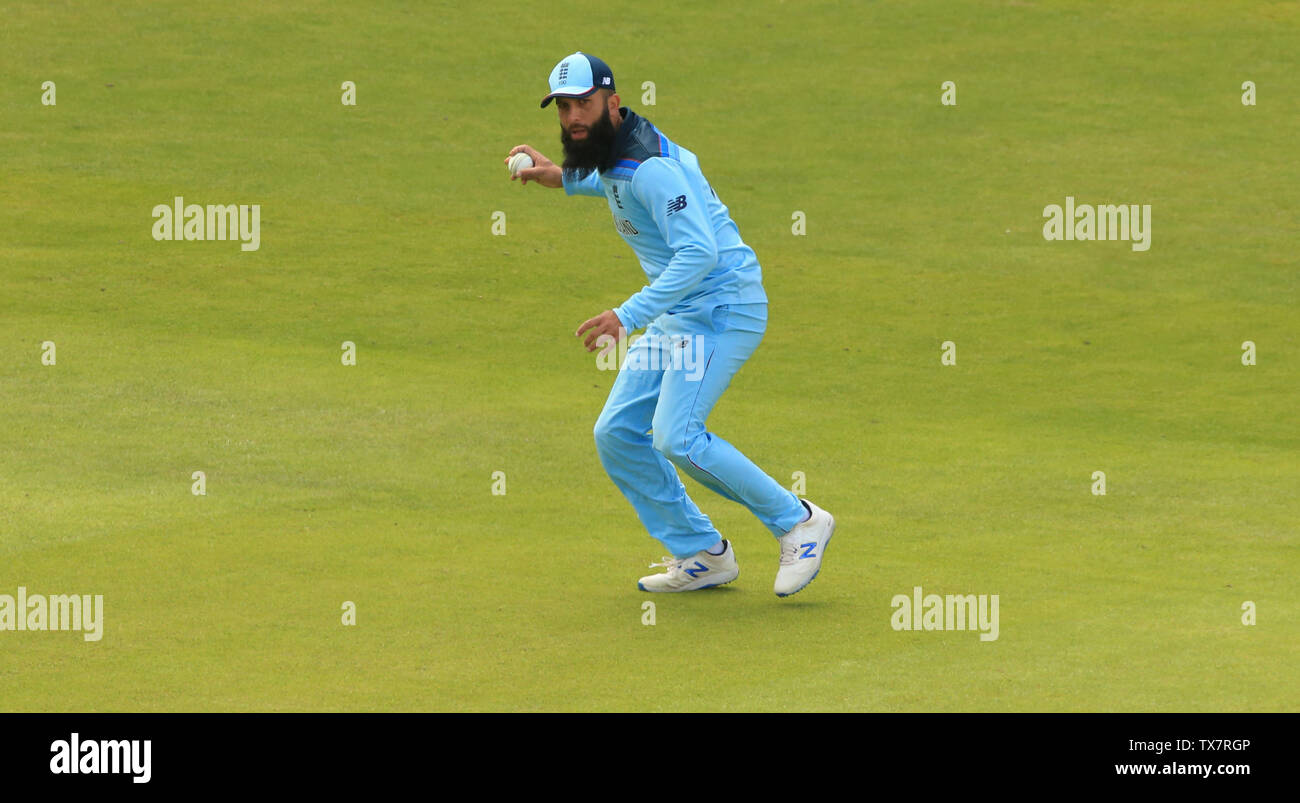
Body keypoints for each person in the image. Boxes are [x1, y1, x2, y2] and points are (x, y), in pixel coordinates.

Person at [505, 52, 835, 597]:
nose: (572, 118)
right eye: (563, 107)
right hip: (679, 312)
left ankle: (798, 520)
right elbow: (616, 186)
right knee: (617, 434)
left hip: (722, 310)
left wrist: (625, 316)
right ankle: (701, 552)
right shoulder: (618, 149)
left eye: (583, 103)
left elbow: (698, 254)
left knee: (677, 436)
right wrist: (559, 176)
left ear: (612, 101)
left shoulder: (651, 167)